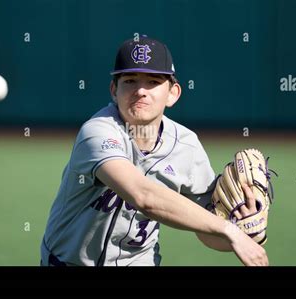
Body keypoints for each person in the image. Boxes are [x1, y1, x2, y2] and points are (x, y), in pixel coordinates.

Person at [41, 35, 268, 266]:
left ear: (173, 93)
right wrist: (228, 230)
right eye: (130, 81)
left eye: (153, 82)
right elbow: (143, 196)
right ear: (113, 90)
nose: (141, 91)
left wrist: (246, 231)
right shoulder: (98, 132)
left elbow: (207, 233)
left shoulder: (187, 146)